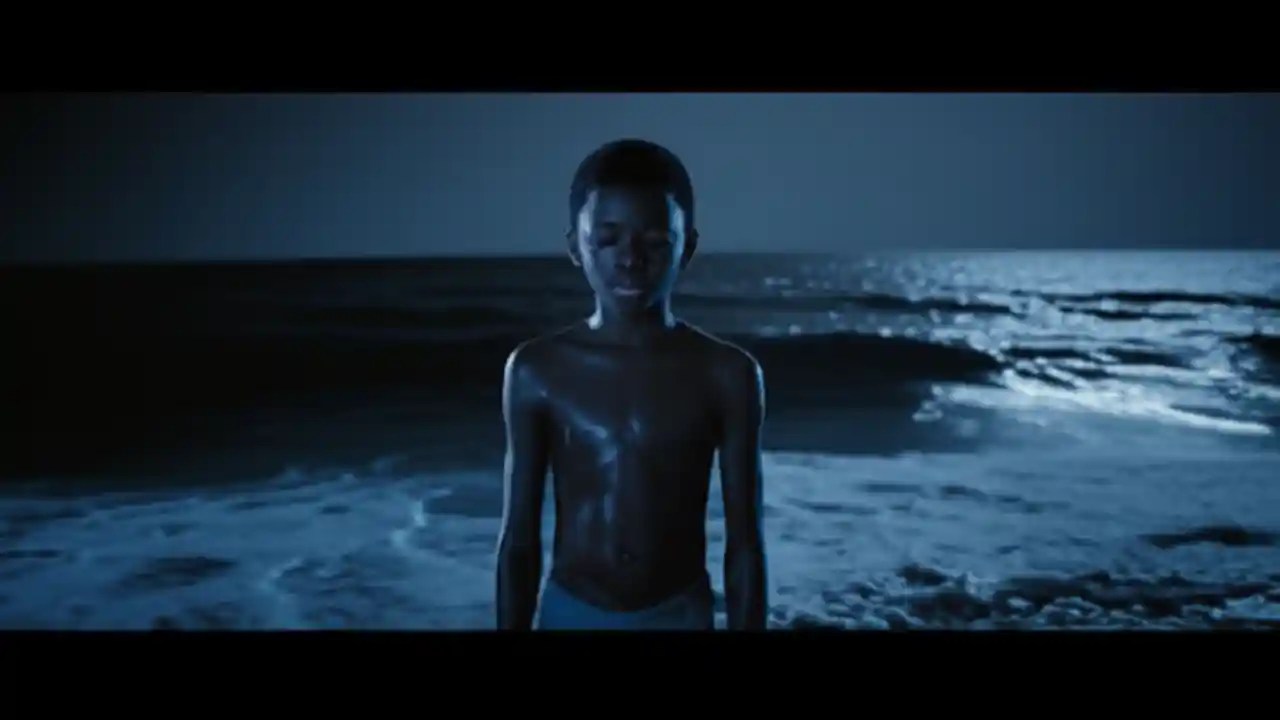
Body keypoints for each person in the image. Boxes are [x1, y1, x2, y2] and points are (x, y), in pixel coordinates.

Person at [495, 138, 768, 631]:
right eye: (608, 238)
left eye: (656, 241)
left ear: (688, 248)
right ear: (575, 246)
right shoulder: (537, 369)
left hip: (680, 612)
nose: (630, 259)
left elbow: (745, 543)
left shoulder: (726, 373)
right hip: (571, 611)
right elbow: (519, 538)